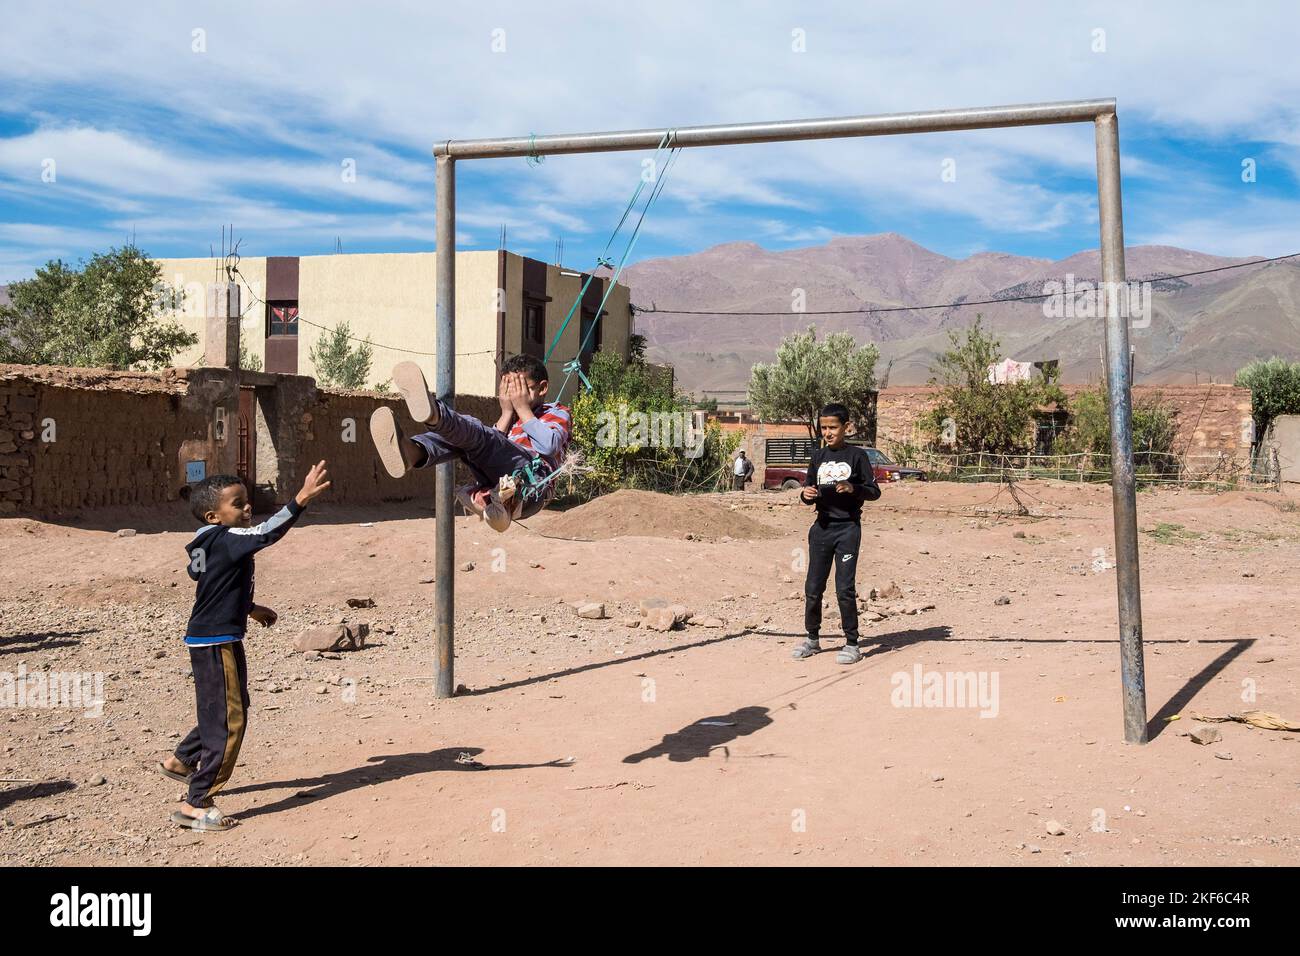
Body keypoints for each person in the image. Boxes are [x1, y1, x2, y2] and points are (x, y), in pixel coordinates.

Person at [161, 461, 332, 831]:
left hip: (212, 637)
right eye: (238, 504)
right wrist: (300, 499)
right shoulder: (226, 538)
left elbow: (210, 581)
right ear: (214, 515)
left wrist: (249, 608)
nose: (247, 508)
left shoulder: (205, 542)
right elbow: (266, 534)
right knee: (231, 720)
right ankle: (197, 802)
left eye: (246, 500)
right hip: (217, 640)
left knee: (225, 707)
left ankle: (183, 759)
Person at [369, 355, 571, 532]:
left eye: (520, 389)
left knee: (477, 432)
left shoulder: (556, 412)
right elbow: (491, 447)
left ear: (542, 388)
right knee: (464, 438)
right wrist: (507, 413)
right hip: (504, 484)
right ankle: (413, 451)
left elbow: (549, 446)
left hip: (533, 482)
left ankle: (436, 415)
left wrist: (522, 409)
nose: (514, 397)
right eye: (508, 390)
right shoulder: (512, 418)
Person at [791, 404, 880, 664]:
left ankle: (852, 644)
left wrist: (853, 488)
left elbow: (873, 492)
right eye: (824, 427)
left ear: (846, 427)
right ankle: (812, 639)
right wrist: (805, 495)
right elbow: (810, 489)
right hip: (821, 529)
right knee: (813, 587)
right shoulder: (818, 457)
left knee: (844, 588)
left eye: (833, 427)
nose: (828, 432)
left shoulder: (857, 456)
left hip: (848, 529)